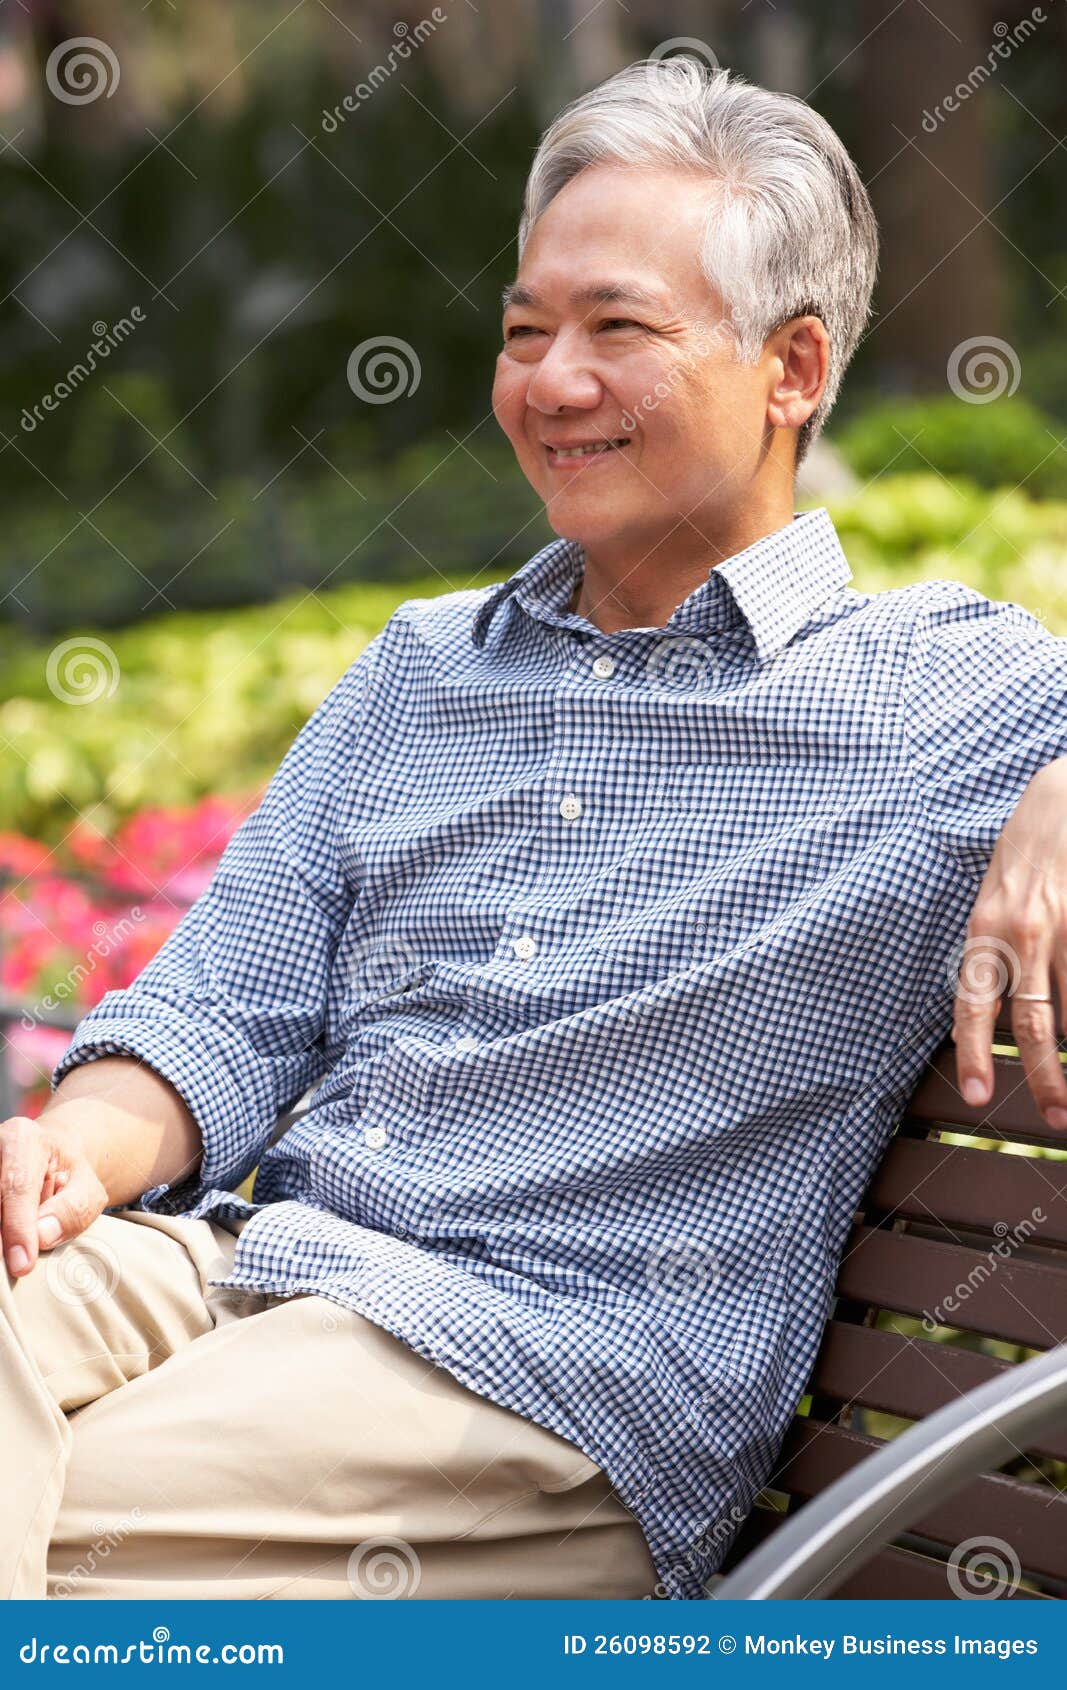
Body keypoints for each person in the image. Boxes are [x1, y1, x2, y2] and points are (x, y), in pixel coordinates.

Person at [4, 57, 1067, 1604]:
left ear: (793, 367)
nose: (549, 379)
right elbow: (217, 1010)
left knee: (79, 1558)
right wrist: (65, 1157)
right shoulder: (422, 669)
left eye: (616, 328)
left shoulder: (927, 698)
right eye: (524, 330)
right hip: (237, 1267)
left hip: (529, 1380)